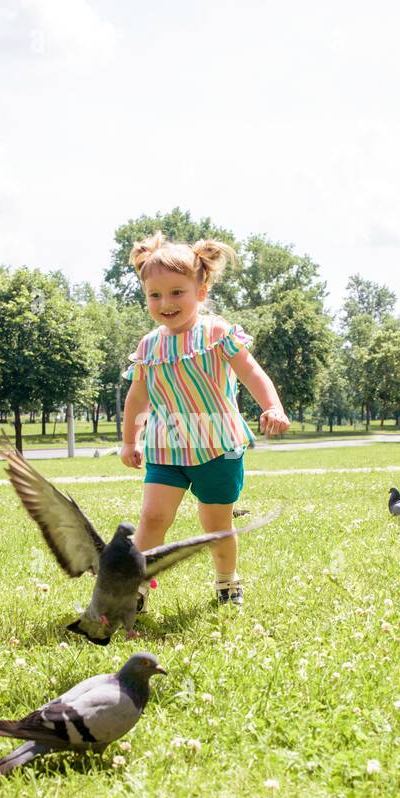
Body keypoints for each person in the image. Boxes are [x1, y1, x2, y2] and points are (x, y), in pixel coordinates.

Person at [120, 231, 289, 608]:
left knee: (215, 525)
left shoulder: (216, 333)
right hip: (167, 447)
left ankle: (227, 582)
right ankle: (136, 589)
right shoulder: (149, 346)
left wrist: (272, 406)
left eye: (177, 292)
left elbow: (252, 374)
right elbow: (137, 398)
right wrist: (130, 440)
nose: (166, 302)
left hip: (219, 446)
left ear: (202, 288)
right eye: (155, 295)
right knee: (151, 518)